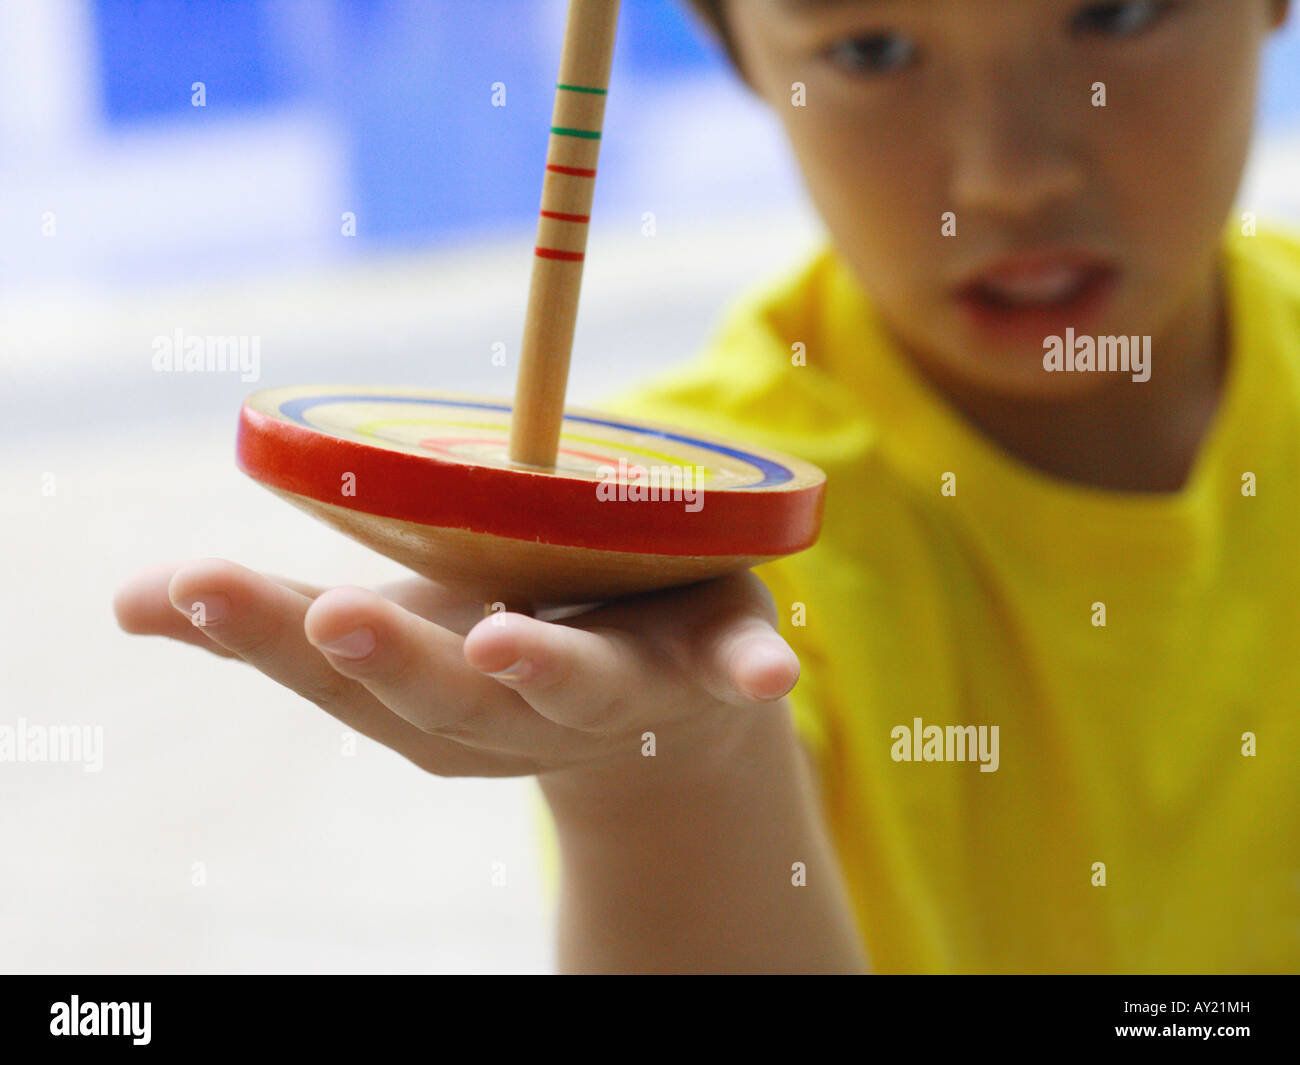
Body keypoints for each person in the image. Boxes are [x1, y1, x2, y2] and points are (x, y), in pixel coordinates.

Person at [115, 0, 1299, 973]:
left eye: (1118, 15)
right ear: (734, 50)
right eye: (871, 50)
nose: (1005, 177)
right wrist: (670, 777)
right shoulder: (681, 554)